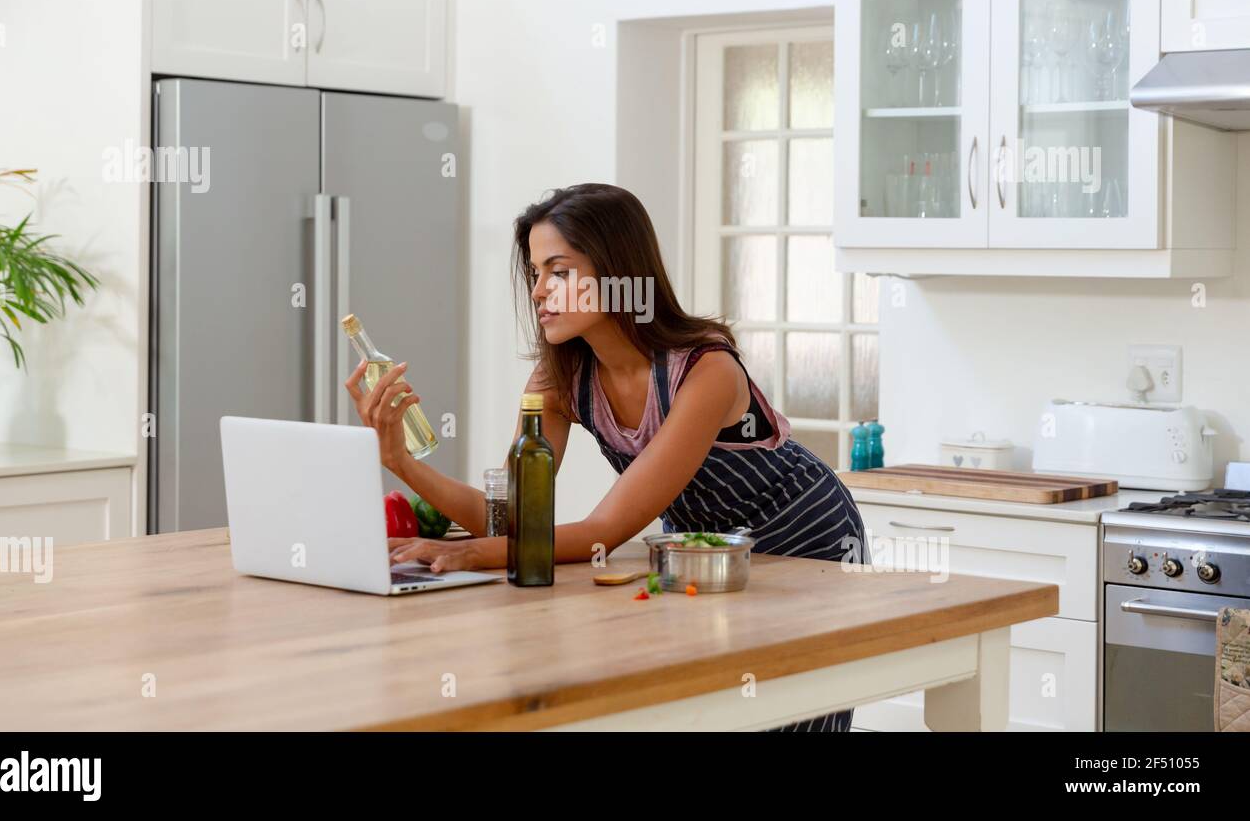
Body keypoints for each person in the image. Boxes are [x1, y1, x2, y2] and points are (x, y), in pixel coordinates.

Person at [346, 183, 868, 732]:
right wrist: (400, 459)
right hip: (698, 553)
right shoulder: (560, 378)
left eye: (560, 271)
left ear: (619, 277)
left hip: (803, 540)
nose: (539, 291)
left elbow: (606, 530)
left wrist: (475, 555)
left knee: (783, 715)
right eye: (534, 273)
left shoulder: (705, 369)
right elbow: (515, 521)